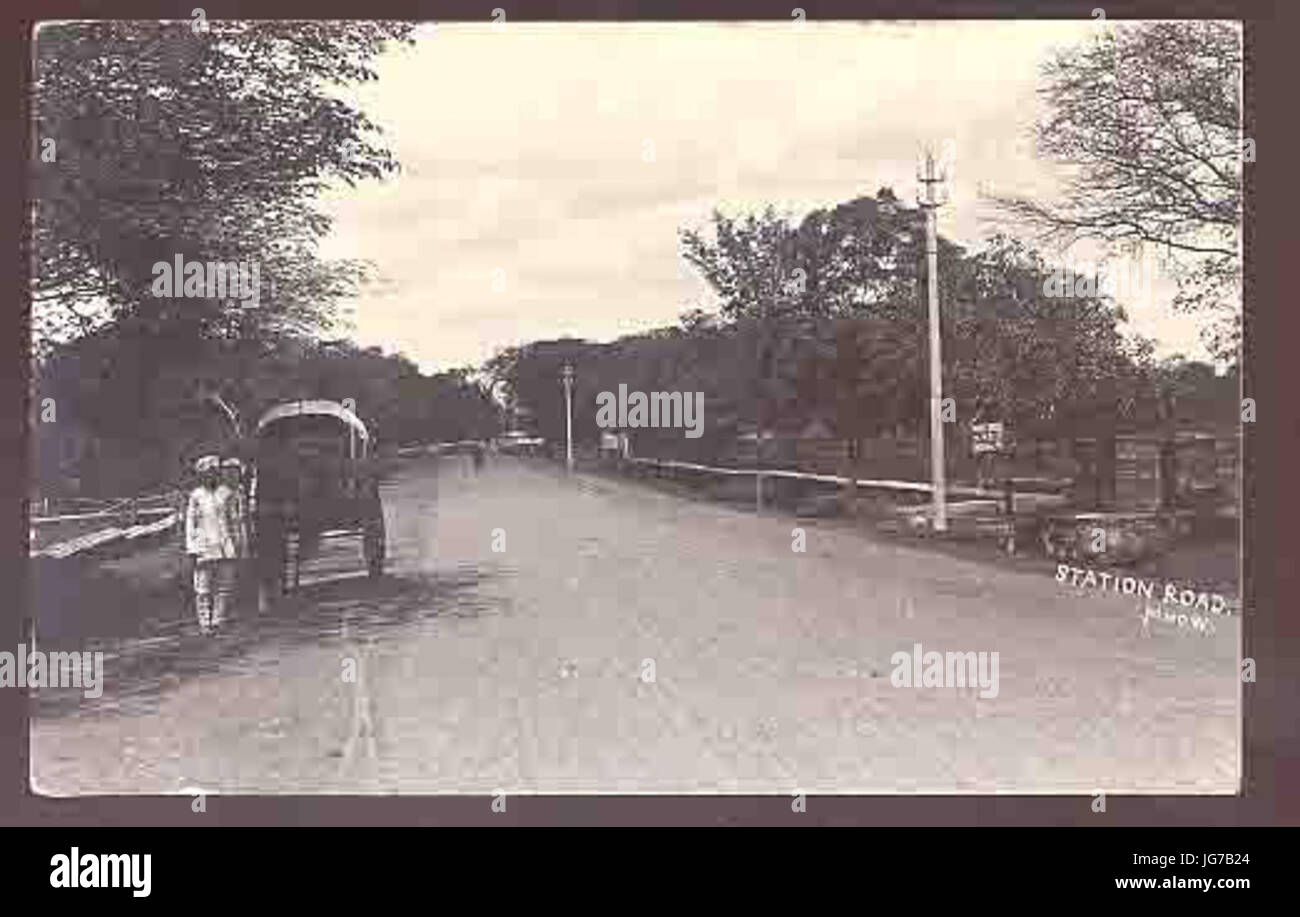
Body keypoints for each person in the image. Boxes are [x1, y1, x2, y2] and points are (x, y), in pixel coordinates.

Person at [185, 454, 240, 635]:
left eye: (214, 472)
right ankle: (204, 622)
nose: (211, 476)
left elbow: (234, 520)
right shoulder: (196, 496)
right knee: (202, 589)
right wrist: (192, 548)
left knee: (223, 587)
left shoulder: (226, 493)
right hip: (203, 546)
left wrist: (238, 542)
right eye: (207, 473)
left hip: (224, 545)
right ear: (201, 475)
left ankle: (218, 620)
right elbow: (190, 523)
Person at [218, 456, 251, 611]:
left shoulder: (240, 491)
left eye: (235, 472)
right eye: (228, 472)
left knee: (241, 570)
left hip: (241, 533)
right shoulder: (221, 493)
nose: (232, 476)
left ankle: (240, 604)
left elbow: (244, 514)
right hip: (225, 536)